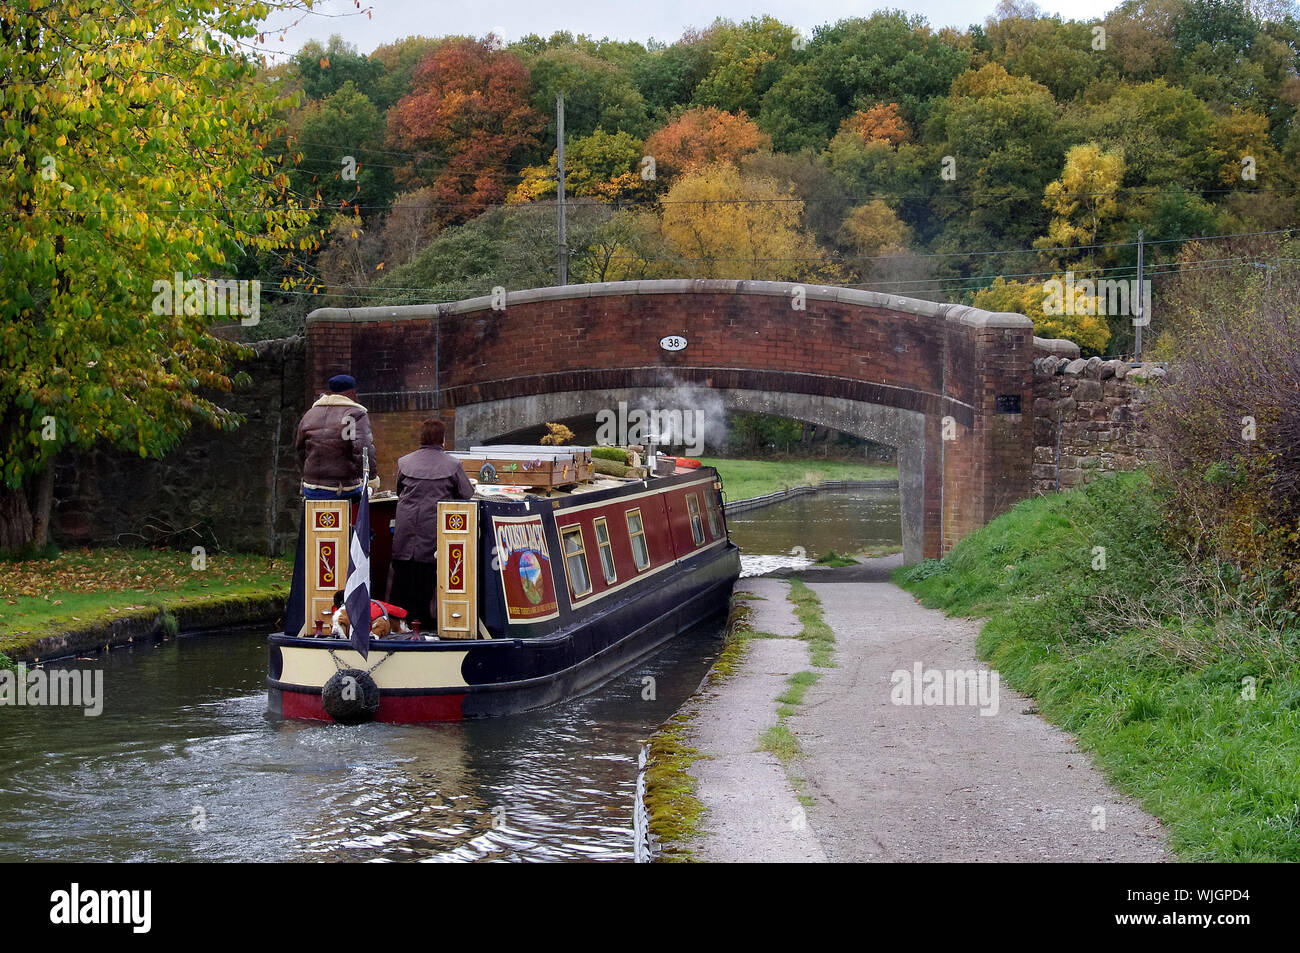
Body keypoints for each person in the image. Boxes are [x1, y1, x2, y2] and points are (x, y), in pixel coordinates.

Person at [389, 418, 474, 630]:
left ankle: (397, 620)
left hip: (405, 529)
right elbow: (466, 494)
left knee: (403, 576)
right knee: (429, 577)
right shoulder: (453, 465)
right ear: (443, 440)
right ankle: (427, 623)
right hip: (433, 531)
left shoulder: (404, 462)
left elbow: (399, 491)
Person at [295, 373, 378, 502]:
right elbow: (363, 448)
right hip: (342, 489)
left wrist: (308, 475)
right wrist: (371, 479)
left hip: (311, 488)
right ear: (352, 392)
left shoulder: (310, 414)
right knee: (356, 519)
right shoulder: (354, 414)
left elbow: (300, 449)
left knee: (312, 521)